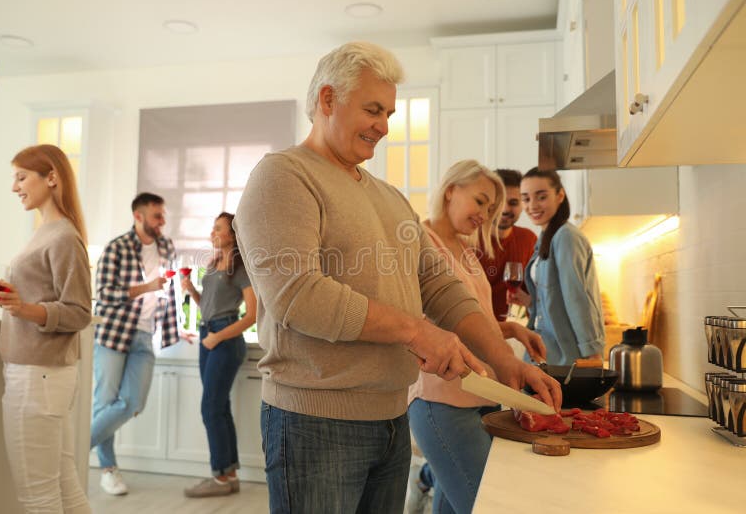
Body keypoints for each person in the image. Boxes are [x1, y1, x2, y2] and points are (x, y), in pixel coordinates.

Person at [233, 41, 561, 513]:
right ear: (327, 100)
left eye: (388, 113)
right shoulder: (283, 176)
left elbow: (439, 286)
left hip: (392, 418)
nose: (384, 127)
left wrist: (502, 360)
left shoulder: (389, 198)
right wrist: (418, 332)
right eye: (372, 110)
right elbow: (298, 296)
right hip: (314, 423)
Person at [0, 144, 92, 513]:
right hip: (43, 377)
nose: (15, 187)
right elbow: (20, 293)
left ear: (52, 178)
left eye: (21, 177)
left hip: (36, 378)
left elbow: (78, 312)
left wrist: (26, 309)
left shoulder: (63, 237)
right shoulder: (48, 231)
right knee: (64, 487)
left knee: (37, 496)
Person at [407, 160, 547, 514]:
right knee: (486, 505)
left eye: (491, 207)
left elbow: (472, 322)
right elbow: (426, 326)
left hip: (480, 394)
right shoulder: (420, 244)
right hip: (443, 399)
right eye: (481, 201)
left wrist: (512, 328)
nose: (486, 214)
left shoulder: (466, 251)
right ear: (451, 189)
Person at [90, 192, 179, 495]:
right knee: (105, 403)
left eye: (163, 215)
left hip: (144, 335)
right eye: (157, 216)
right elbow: (104, 294)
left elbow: (169, 290)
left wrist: (176, 325)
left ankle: (74, 448)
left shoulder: (166, 246)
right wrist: (146, 287)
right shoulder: (117, 248)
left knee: (132, 403)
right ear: (138, 217)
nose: (163, 221)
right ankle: (108, 469)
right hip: (112, 334)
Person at [181, 212, 256, 498]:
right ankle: (229, 475)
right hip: (208, 335)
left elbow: (252, 315)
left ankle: (220, 477)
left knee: (210, 408)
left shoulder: (240, 268)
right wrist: (191, 291)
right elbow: (208, 308)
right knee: (218, 407)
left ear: (234, 235)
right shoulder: (213, 266)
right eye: (212, 228)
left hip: (224, 340)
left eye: (218, 228)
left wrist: (217, 337)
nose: (213, 232)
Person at [508, 168, 604, 365]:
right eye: (526, 199)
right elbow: (553, 299)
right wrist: (529, 300)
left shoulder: (566, 237)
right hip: (546, 352)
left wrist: (591, 351)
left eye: (541, 197)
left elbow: (576, 298)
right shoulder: (546, 238)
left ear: (560, 195)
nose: (532, 205)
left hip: (565, 357)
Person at [476, 169, 538, 322]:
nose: (504, 210)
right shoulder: (469, 239)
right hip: (471, 331)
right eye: (500, 203)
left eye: (513, 203)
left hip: (509, 330)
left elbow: (534, 294)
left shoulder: (529, 239)